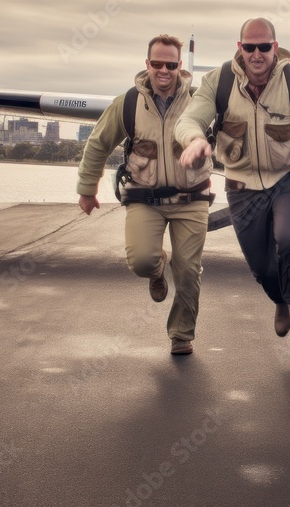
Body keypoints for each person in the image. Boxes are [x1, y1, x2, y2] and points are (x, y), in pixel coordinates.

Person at [176, 18, 290, 343]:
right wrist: (193, 140)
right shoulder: (219, 82)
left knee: (289, 239)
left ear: (275, 47)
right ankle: (280, 300)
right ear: (239, 48)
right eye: (249, 47)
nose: (256, 54)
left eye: (264, 47)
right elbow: (190, 118)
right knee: (261, 265)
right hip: (242, 183)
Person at [77, 34, 212, 356]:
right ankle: (155, 269)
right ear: (147, 64)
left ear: (180, 66)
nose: (163, 70)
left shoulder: (200, 103)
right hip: (144, 199)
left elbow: (237, 135)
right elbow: (98, 143)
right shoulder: (127, 104)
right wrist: (86, 189)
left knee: (188, 270)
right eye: (156, 63)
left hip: (191, 200)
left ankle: (181, 334)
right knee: (140, 260)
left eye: (171, 64)